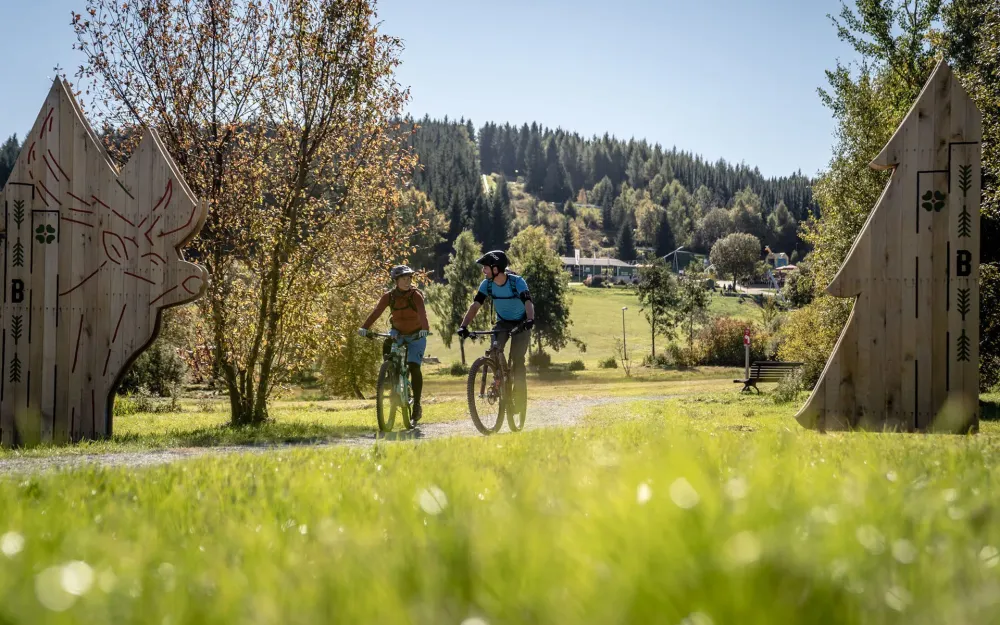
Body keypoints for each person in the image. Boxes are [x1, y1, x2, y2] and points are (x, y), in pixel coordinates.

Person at [457, 250, 534, 414]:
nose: (483, 271)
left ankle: (519, 399)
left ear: (496, 268)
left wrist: (530, 319)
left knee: (517, 359)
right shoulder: (487, 285)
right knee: (494, 350)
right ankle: (499, 379)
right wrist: (463, 326)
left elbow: (528, 302)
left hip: (521, 323)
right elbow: (475, 306)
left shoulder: (517, 282)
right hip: (502, 322)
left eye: (485, 267)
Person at [358, 265, 430, 424]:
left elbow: (422, 313)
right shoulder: (388, 297)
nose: (407, 281)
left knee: (414, 366)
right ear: (396, 281)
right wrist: (364, 327)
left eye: (409, 278)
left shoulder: (415, 295)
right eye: (404, 279)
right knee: (387, 345)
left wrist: (425, 329)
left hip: (417, 335)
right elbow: (377, 312)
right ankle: (391, 373)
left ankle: (417, 404)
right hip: (397, 333)